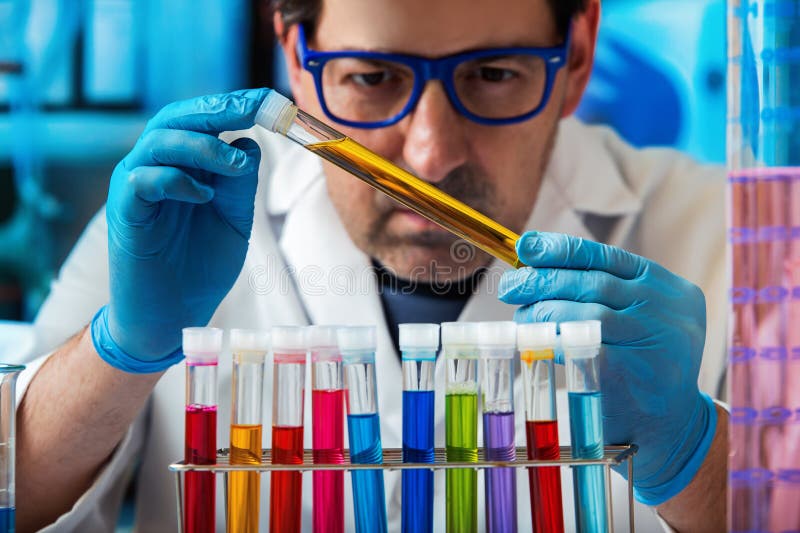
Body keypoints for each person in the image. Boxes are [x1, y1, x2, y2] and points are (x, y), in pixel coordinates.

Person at [15, 0, 729, 530]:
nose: (430, 154)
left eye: (492, 74)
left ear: (576, 56)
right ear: (296, 57)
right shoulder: (179, 214)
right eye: (372, 77)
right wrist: (122, 350)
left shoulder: (730, 236)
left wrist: (695, 454)